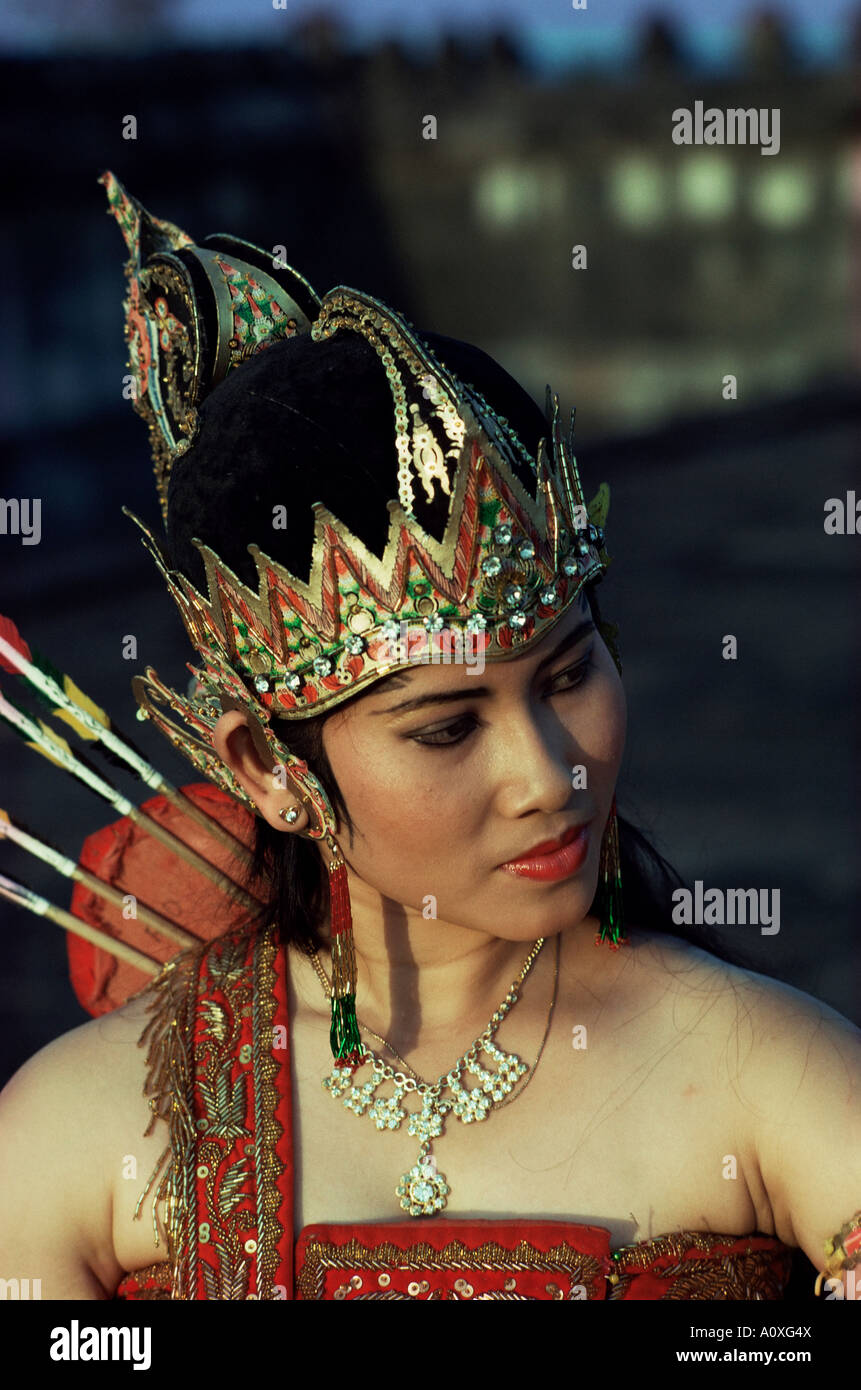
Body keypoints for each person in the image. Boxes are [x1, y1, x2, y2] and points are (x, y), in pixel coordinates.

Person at [0, 173, 858, 1302]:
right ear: (269, 766)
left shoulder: (770, 1075)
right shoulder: (80, 1134)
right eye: (448, 727)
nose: (550, 775)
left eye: (569, 673)